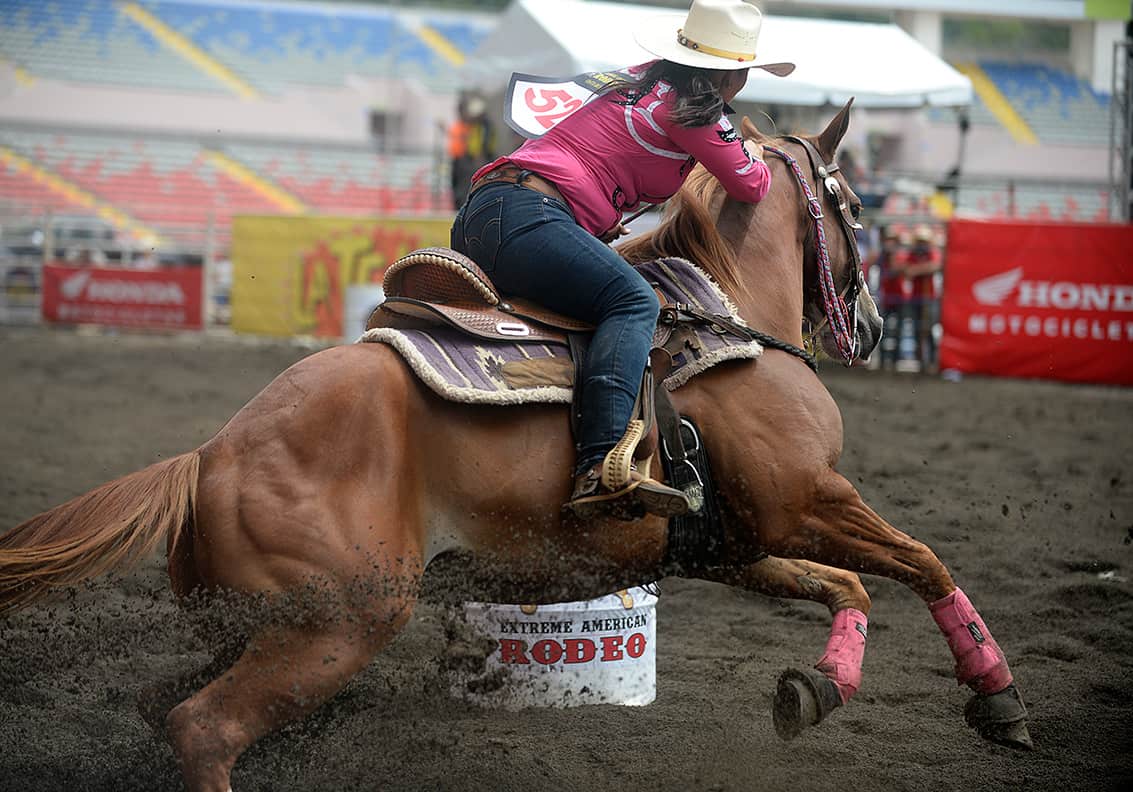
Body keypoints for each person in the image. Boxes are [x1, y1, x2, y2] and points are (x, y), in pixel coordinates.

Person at [449, 0, 794, 520]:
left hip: (485, 211)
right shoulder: (696, 112)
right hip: (534, 215)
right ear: (735, 75)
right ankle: (601, 461)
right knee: (634, 302)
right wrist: (757, 147)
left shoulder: (635, 80)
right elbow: (752, 182)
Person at [905, 225, 943, 370]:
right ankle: (921, 360)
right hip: (917, 297)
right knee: (917, 329)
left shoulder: (930, 253)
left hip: (929, 297)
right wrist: (922, 269)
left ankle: (932, 360)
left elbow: (935, 266)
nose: (922, 244)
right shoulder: (913, 255)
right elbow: (908, 271)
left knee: (929, 330)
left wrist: (918, 270)